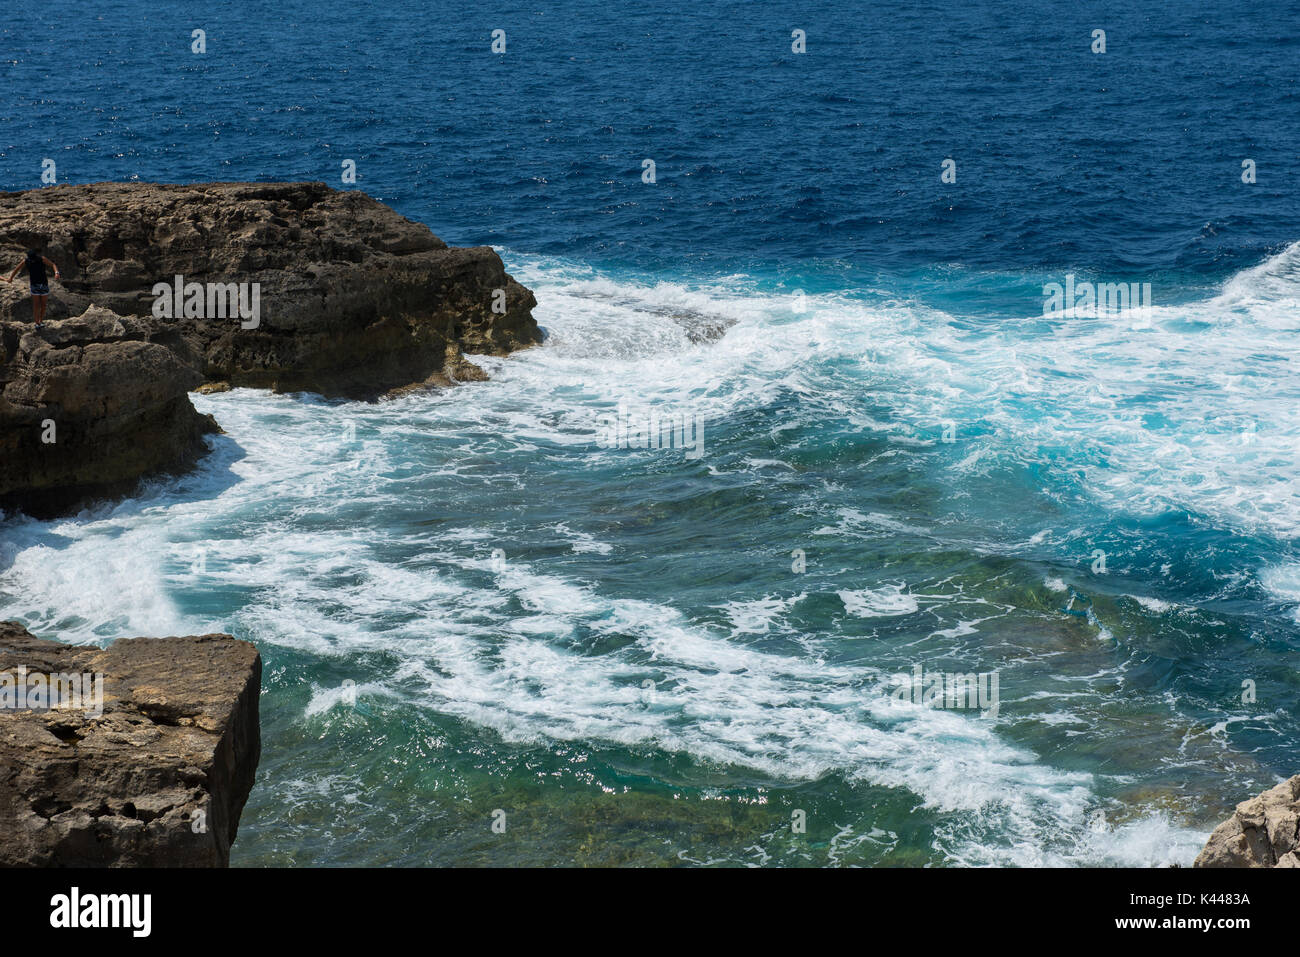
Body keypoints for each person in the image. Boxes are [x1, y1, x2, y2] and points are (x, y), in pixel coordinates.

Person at [4, 248, 61, 324]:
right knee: (36, 305)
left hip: (43, 284)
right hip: (34, 285)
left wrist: (56, 273)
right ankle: (37, 323)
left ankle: (41, 320)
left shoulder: (42, 259)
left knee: (43, 305)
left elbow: (53, 265)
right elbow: (17, 269)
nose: (32, 260)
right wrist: (11, 278)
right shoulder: (26, 261)